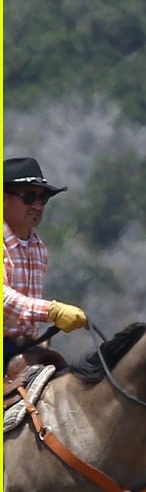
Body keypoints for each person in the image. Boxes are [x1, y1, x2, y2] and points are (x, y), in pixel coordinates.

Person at [3, 157, 88, 371]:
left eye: (43, 199)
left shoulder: (37, 247)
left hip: (24, 348)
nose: (37, 206)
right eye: (29, 197)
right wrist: (52, 311)